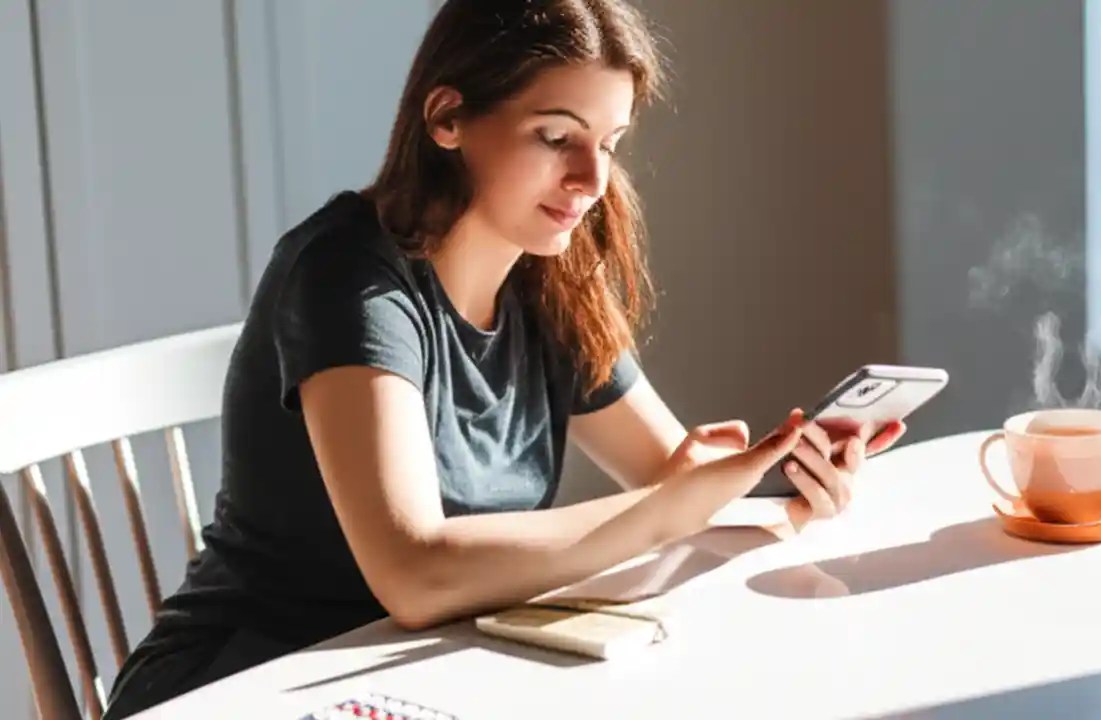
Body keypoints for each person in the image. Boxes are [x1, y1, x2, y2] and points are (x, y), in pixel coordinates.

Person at [102, 0, 906, 715]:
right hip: (252, 684)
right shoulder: (347, 276)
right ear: (447, 117)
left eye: (610, 142)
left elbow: (670, 482)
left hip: (420, 680)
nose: (592, 178)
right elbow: (416, 576)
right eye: (556, 137)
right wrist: (676, 503)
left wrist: (784, 493)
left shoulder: (553, 276)